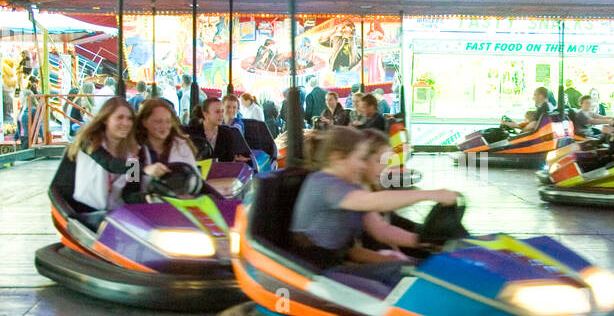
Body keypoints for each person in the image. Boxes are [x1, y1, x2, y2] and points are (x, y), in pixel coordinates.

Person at [290, 128, 458, 289]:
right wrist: (430, 194)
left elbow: (381, 230)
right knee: (400, 283)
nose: (363, 166)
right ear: (337, 157)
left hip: (334, 267)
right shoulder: (323, 183)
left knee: (413, 272)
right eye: (361, 159)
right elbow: (373, 201)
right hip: (315, 274)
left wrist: (425, 242)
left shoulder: (349, 187)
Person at [51, 97, 158, 219]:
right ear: (105, 119)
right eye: (120, 117)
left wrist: (147, 197)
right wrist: (145, 169)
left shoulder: (133, 152)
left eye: (129, 119)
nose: (126, 123)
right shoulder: (90, 142)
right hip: (84, 211)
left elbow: (129, 193)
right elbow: (110, 164)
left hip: (115, 213)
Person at [135, 98, 198, 169]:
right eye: (158, 121)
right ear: (145, 122)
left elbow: (193, 175)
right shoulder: (133, 147)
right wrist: (146, 171)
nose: (164, 126)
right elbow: (131, 177)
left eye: (168, 121)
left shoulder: (181, 145)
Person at [186, 96, 251, 163]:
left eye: (222, 111)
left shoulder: (227, 134)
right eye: (217, 112)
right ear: (205, 114)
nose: (221, 115)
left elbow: (229, 161)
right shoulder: (192, 132)